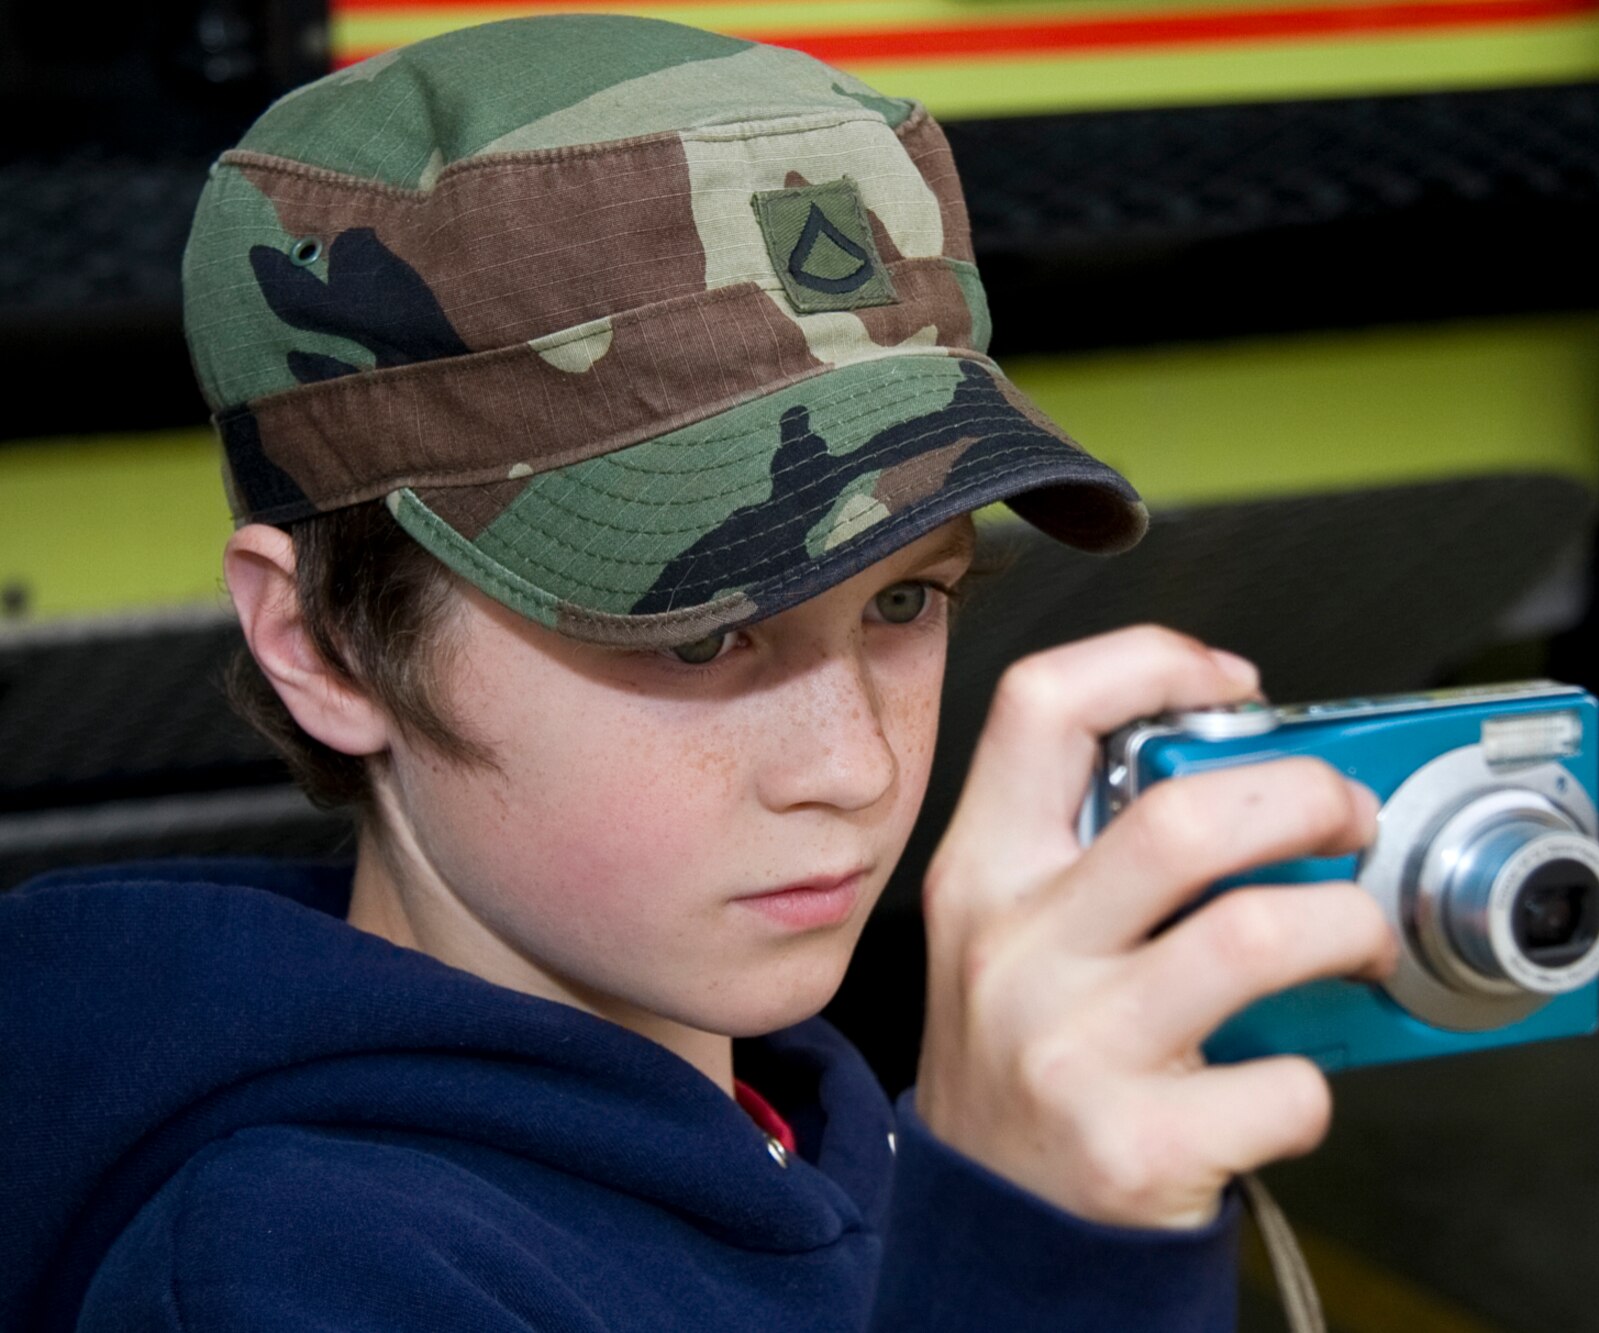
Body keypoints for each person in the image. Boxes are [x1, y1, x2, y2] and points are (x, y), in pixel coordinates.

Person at [0, 15, 1393, 1331]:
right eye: (697, 633)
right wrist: (1036, 1264)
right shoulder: (294, 1270)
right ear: (325, 643)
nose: (853, 766)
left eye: (902, 598)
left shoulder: (812, 1118)